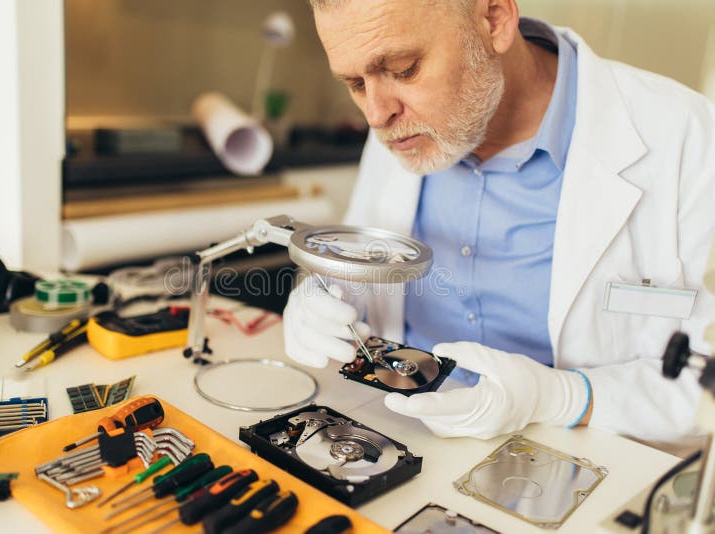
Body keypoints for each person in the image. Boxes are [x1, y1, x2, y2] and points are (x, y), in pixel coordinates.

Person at [283, 0, 715, 446]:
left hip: (574, 463)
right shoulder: (404, 125)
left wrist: (563, 398)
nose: (375, 115)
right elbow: (356, 260)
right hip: (394, 435)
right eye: (354, 82)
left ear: (493, 19)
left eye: (403, 68)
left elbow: (706, 379)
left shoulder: (688, 139)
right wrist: (320, 296)